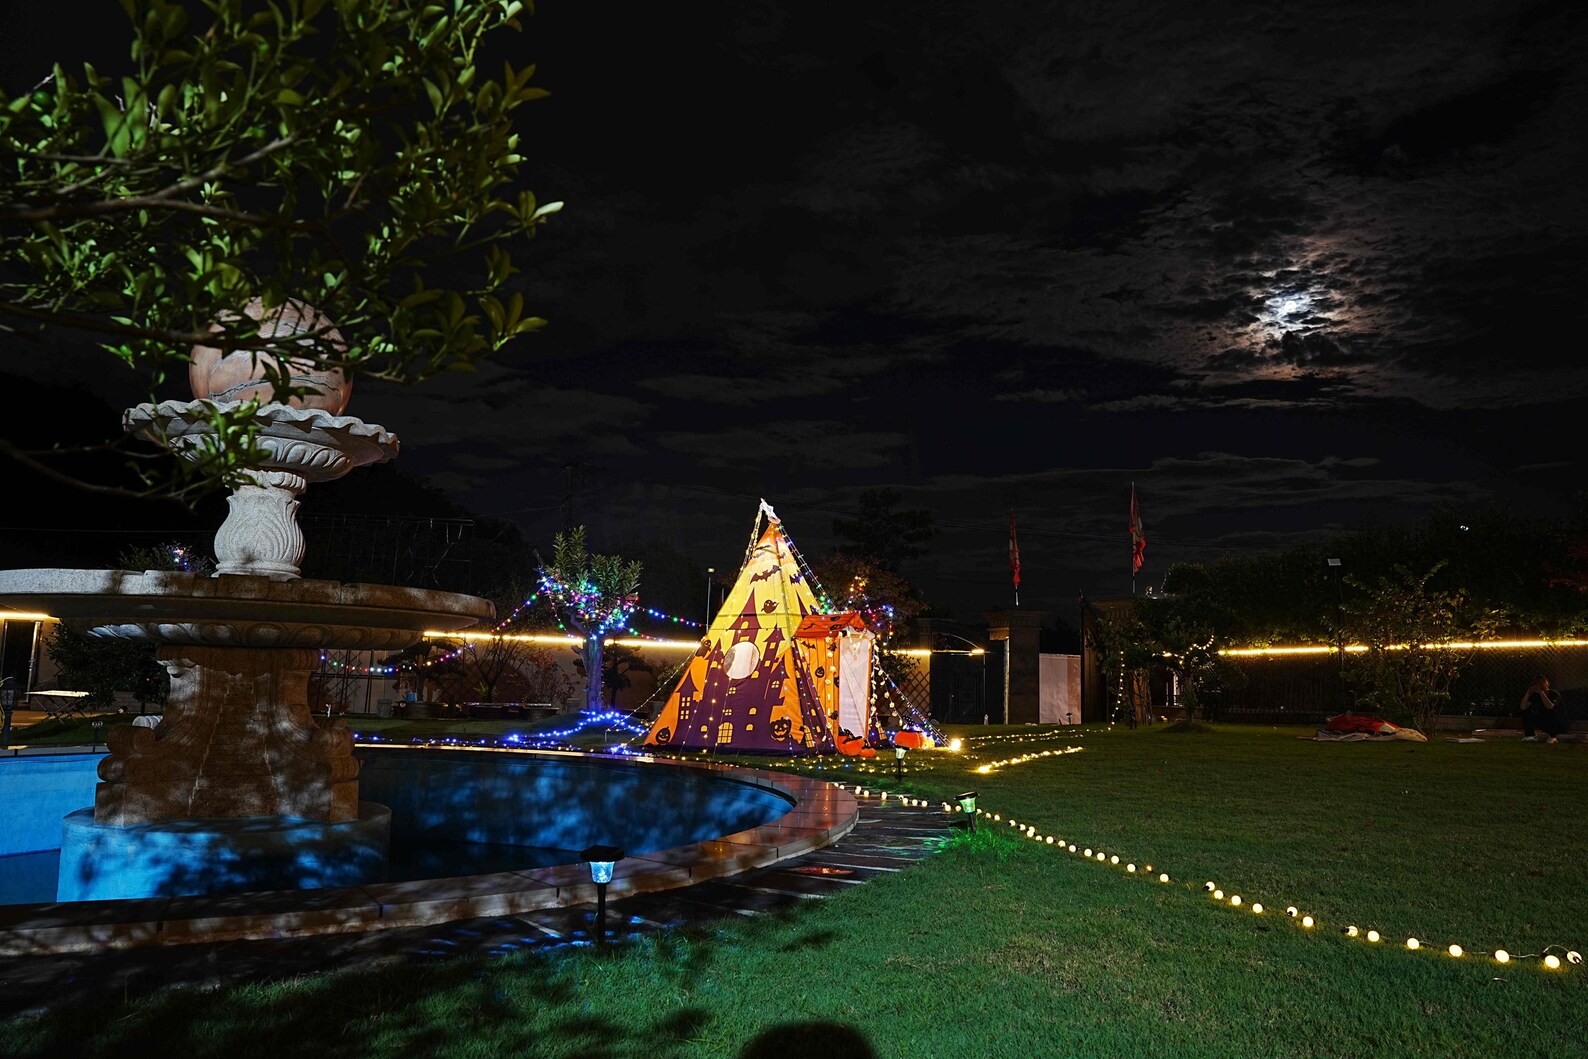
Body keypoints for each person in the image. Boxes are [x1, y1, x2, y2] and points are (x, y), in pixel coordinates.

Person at [1519, 675, 1568, 743]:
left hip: (1560, 725)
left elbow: (1550, 706)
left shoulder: (1554, 693)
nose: (1538, 686)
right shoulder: (1535, 695)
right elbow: (1523, 707)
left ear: (1547, 684)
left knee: (1551, 711)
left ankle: (1553, 736)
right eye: (1536, 684)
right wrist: (1527, 694)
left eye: (1540, 683)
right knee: (1526, 712)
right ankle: (1530, 736)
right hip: (1547, 723)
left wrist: (1542, 693)